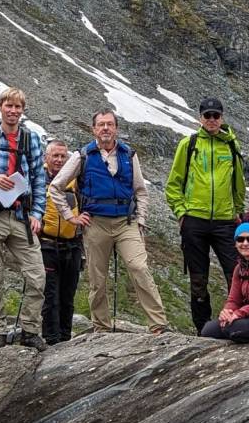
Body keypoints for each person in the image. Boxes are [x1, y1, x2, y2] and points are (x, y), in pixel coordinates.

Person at [50, 109, 169, 333]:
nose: (105, 128)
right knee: (97, 278)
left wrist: (141, 220)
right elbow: (56, 187)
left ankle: (158, 324)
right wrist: (70, 217)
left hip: (127, 221)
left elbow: (141, 191)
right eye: (101, 124)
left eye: (110, 124)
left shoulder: (129, 154)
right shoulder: (82, 155)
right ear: (94, 129)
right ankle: (101, 327)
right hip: (95, 223)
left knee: (139, 267)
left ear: (116, 128)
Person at [0, 87, 49, 348]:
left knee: (37, 274)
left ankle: (30, 330)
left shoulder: (33, 140)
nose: (13, 111)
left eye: (18, 107)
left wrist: (37, 213)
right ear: (0, 107)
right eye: (8, 106)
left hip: (21, 215)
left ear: (23, 110)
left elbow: (38, 179)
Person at [167, 96, 247, 333]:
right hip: (195, 221)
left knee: (236, 274)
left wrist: (238, 212)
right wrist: (182, 213)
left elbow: (238, 184)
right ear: (200, 118)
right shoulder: (189, 144)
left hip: (225, 221)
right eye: (207, 116)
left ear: (222, 118)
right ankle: (203, 329)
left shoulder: (231, 145)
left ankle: (240, 322)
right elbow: (173, 183)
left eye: (216, 115)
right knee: (198, 279)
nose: (211, 120)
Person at [36, 137, 84, 345]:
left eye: (63, 156)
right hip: (46, 244)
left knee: (68, 296)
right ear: (46, 157)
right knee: (50, 296)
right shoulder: (37, 179)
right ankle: (52, 340)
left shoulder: (76, 182)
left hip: (73, 245)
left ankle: (66, 338)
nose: (59, 160)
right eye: (55, 155)